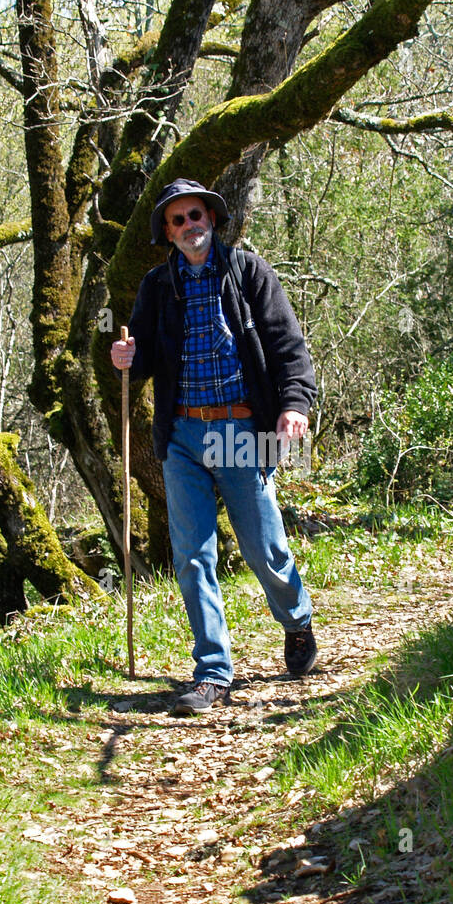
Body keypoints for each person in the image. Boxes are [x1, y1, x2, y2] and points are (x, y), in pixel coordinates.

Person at [111, 178, 319, 716]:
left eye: (195, 215)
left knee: (264, 549)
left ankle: (297, 624)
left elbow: (287, 346)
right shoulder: (157, 287)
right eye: (177, 220)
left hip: (240, 433)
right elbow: (146, 354)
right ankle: (212, 673)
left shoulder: (248, 273)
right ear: (167, 231)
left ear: (212, 218)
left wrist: (294, 404)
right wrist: (126, 359)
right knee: (193, 557)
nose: (188, 226)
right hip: (182, 436)